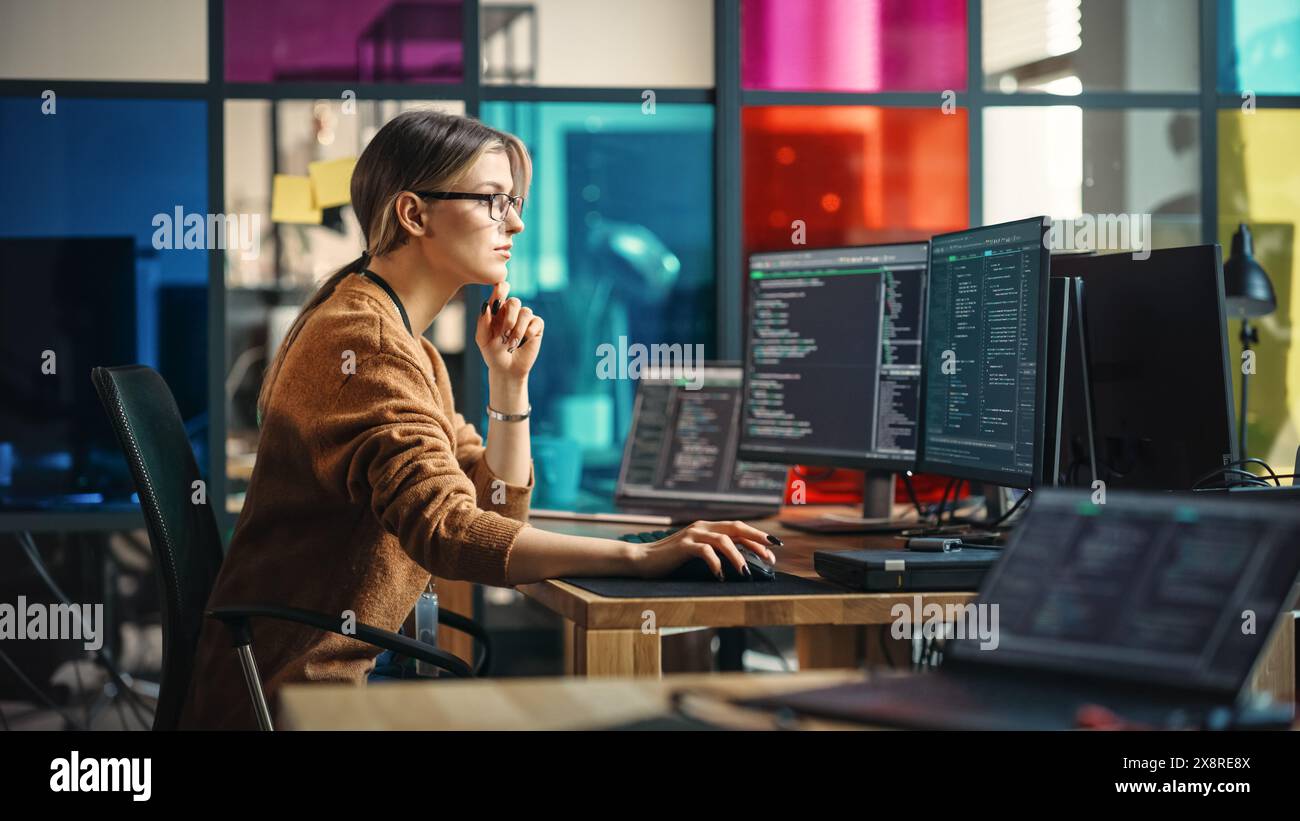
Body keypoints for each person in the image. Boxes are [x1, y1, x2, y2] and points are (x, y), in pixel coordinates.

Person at [179, 110, 778, 728]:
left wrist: (508, 381)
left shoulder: (408, 344)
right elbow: (446, 531)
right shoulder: (362, 340)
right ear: (413, 214)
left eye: (512, 201)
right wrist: (641, 557)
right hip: (293, 700)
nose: (515, 221)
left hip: (326, 686)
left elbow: (494, 510)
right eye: (492, 201)